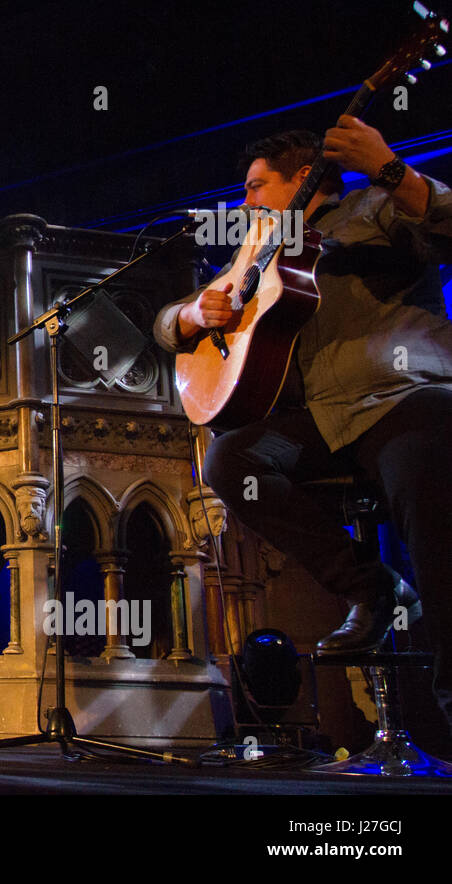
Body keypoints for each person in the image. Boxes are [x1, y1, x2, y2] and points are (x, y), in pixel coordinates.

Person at [153, 117, 452, 732]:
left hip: (403, 396)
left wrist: (389, 168)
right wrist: (189, 314)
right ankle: (372, 588)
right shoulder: (258, 252)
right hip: (320, 417)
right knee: (229, 460)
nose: (245, 201)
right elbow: (167, 325)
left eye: (257, 186)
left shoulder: (375, 208)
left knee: (436, 530)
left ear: (302, 181)